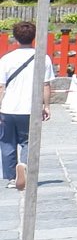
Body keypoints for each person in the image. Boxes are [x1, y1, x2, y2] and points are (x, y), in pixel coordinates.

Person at [2, 21, 52, 191]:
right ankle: (23, 165)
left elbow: (1, 87)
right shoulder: (43, 58)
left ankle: (10, 177)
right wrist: (46, 106)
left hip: (8, 107)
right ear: (34, 37)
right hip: (30, 107)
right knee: (28, 141)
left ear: (15, 37)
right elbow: (45, 85)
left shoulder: (6, 59)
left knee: (7, 142)